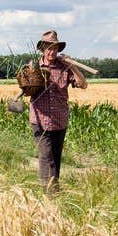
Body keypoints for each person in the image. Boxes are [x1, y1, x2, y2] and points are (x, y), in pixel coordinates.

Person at [27, 29, 86, 193]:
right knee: (46, 156)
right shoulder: (35, 67)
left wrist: (72, 65)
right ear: (42, 49)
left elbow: (83, 84)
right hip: (39, 120)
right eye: (48, 48)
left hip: (59, 120)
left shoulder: (65, 68)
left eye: (54, 48)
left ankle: (54, 187)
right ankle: (50, 193)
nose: (51, 51)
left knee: (55, 157)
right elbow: (26, 90)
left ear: (58, 49)